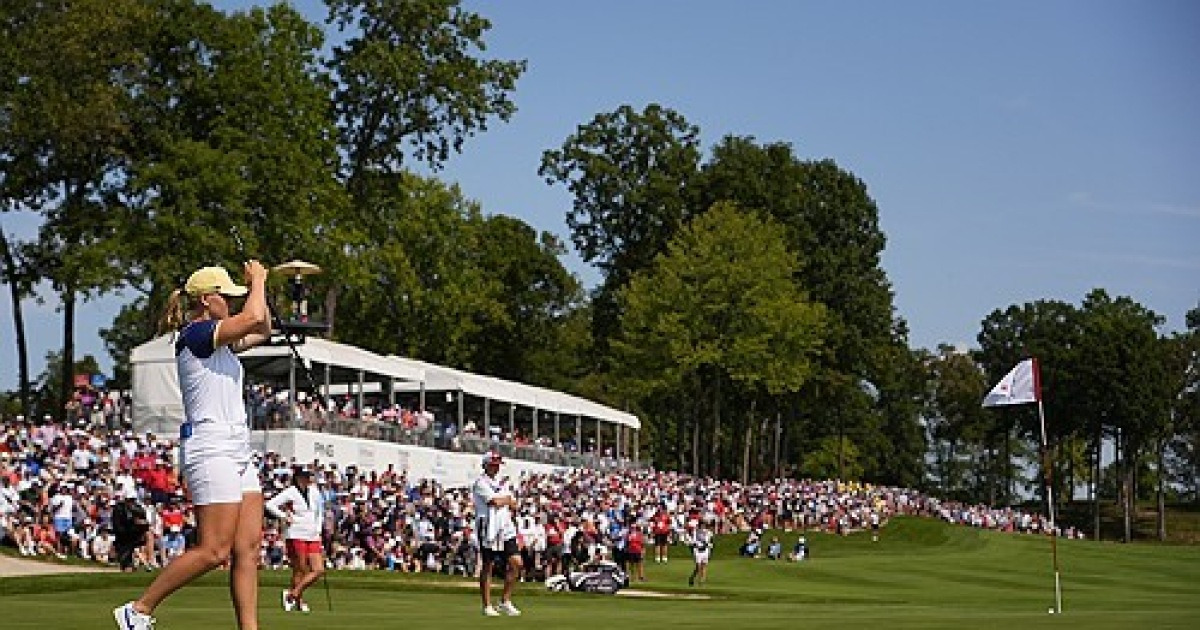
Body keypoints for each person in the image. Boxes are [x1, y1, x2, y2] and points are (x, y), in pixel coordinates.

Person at [114, 262, 272, 630]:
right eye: (226, 297)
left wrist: (260, 290)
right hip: (210, 446)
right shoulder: (196, 334)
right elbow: (252, 317)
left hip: (237, 448)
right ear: (206, 300)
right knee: (214, 550)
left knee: (247, 548)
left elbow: (261, 326)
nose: (231, 303)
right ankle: (138, 610)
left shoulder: (222, 343)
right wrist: (259, 283)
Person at [265, 467, 326, 613]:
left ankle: (293, 594)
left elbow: (319, 511)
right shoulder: (290, 492)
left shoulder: (314, 492)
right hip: (296, 532)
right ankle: (299, 600)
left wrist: (318, 529)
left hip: (312, 534)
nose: (308, 479)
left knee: (318, 570)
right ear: (298, 478)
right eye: (305, 477)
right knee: (300, 568)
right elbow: (270, 505)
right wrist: (284, 516)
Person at [472, 451, 522, 617]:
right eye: (493, 465)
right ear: (486, 465)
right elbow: (494, 501)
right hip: (488, 525)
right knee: (488, 565)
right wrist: (506, 500)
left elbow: (513, 503)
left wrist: (507, 500)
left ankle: (505, 600)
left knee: (517, 562)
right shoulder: (480, 483)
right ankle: (487, 605)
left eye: (498, 465)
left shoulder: (503, 482)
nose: (496, 468)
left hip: (505, 525)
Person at [687, 519, 713, 587]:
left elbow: (709, 541)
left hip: (706, 550)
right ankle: (692, 577)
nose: (703, 525)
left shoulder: (708, 532)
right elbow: (694, 541)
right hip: (698, 550)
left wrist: (709, 545)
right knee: (698, 567)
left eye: (704, 524)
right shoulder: (695, 531)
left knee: (704, 566)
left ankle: (702, 582)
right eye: (702, 524)